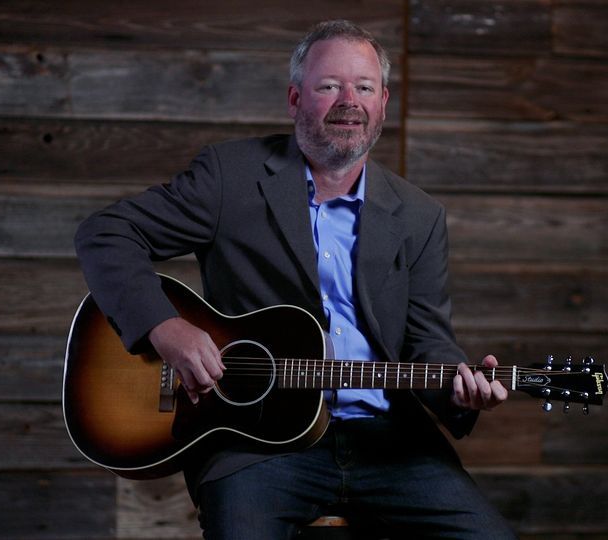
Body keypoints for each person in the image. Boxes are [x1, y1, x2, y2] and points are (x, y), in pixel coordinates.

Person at [75, 19, 517, 539]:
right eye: (329, 85)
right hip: (258, 441)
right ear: (294, 98)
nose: (349, 100)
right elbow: (106, 232)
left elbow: (428, 342)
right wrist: (164, 328)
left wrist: (459, 391)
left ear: (383, 103)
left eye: (365, 87)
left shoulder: (419, 217)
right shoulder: (230, 176)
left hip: (390, 443)